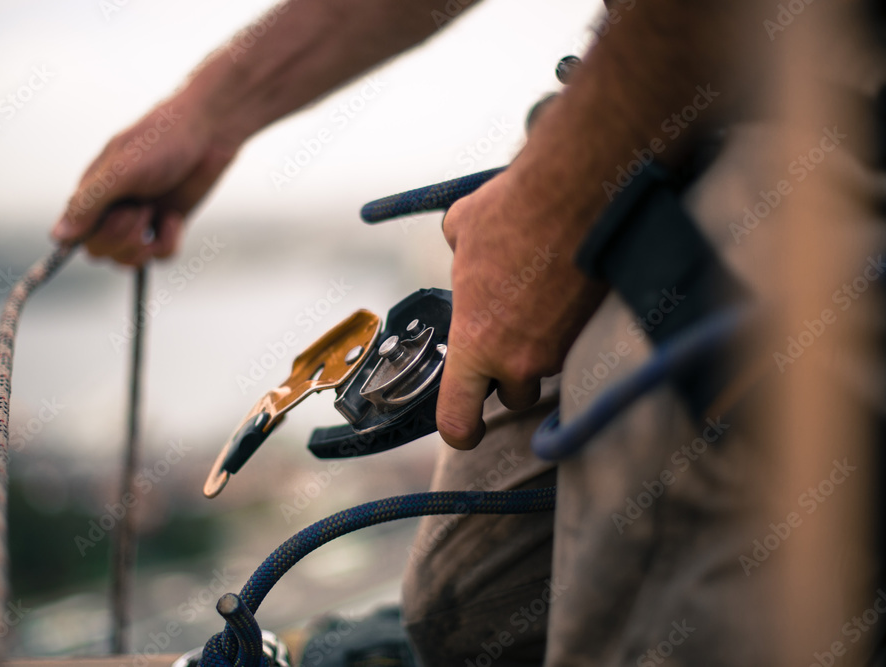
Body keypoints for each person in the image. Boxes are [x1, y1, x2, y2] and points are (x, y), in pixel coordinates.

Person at [52, 1, 885, 665]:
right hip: (664, 112)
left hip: (826, 112)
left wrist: (560, 197)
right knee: (467, 606)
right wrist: (208, 114)